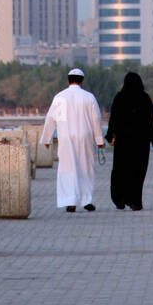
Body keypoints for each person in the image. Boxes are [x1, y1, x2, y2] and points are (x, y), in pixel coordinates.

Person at [40, 68, 105, 212]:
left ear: (68, 80)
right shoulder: (89, 97)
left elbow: (51, 118)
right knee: (86, 168)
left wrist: (46, 138)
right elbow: (96, 119)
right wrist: (99, 140)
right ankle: (86, 200)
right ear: (82, 81)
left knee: (67, 168)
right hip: (85, 138)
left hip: (66, 138)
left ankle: (70, 202)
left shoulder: (60, 97)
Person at [106, 71, 153, 211]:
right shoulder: (145, 98)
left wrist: (110, 135)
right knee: (138, 171)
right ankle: (135, 201)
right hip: (140, 142)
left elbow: (113, 119)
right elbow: (150, 120)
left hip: (123, 142)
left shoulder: (119, 98)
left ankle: (119, 199)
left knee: (120, 170)